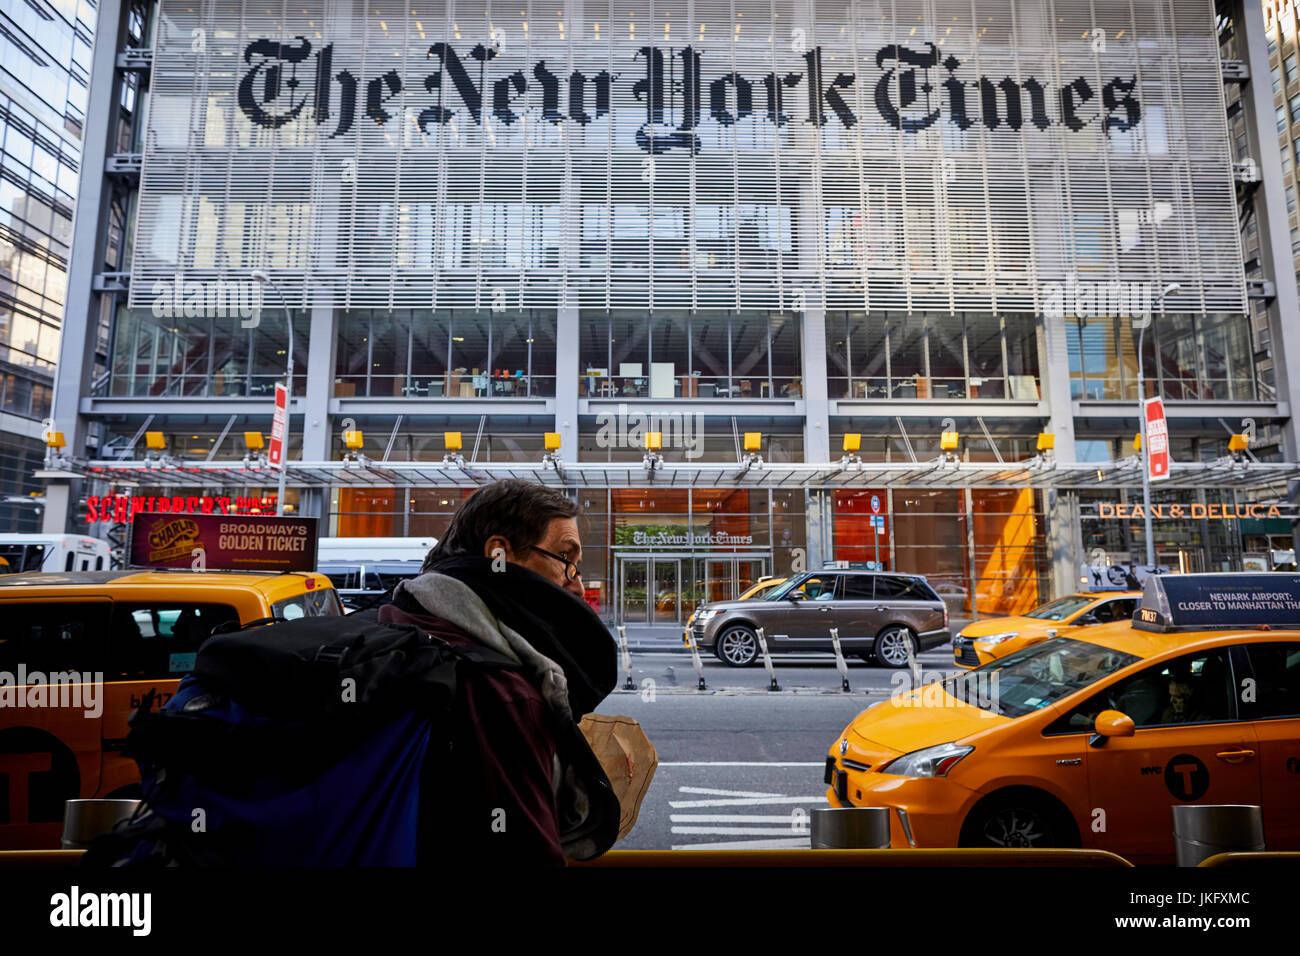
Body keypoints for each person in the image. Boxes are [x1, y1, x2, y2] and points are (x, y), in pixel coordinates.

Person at [376, 479, 621, 865]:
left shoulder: (404, 620)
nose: (575, 583)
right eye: (564, 557)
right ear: (500, 555)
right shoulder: (504, 694)